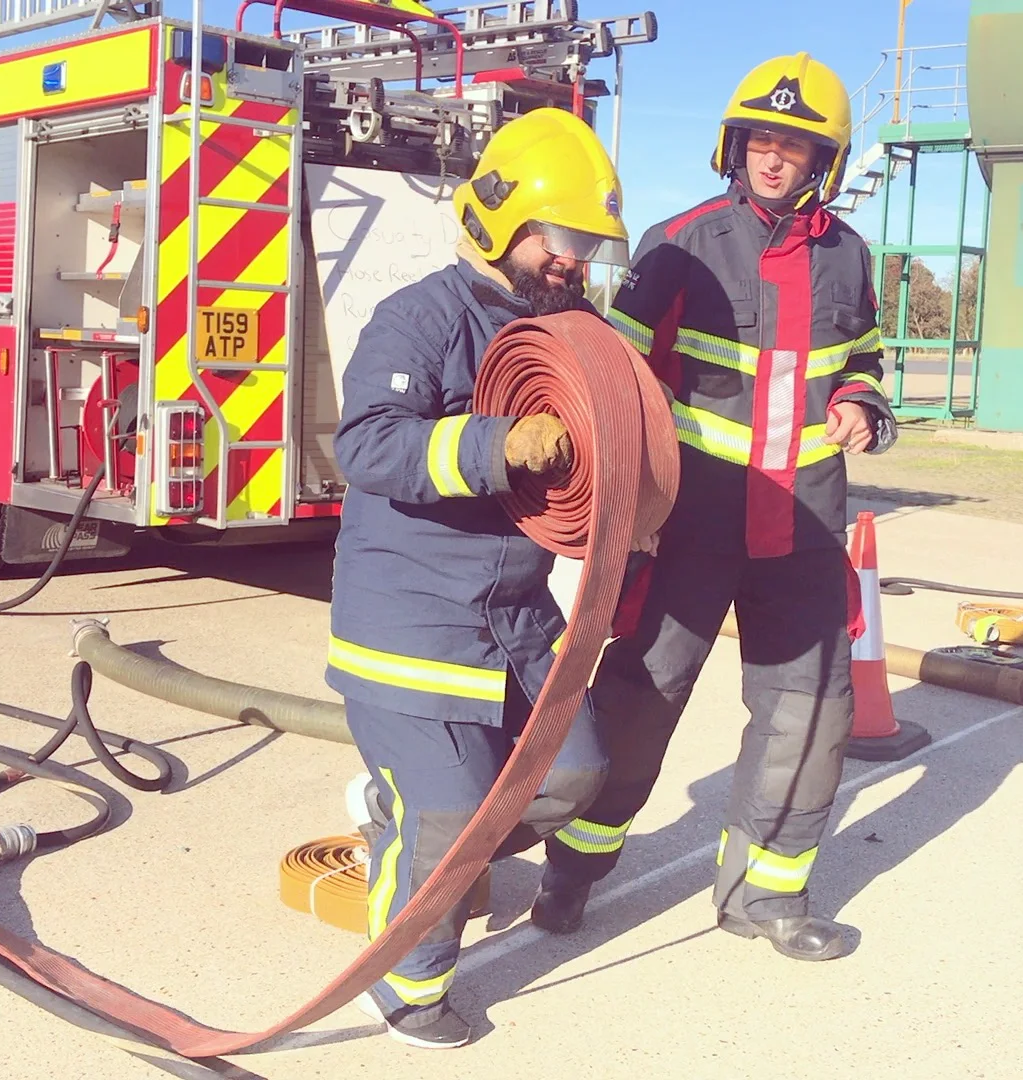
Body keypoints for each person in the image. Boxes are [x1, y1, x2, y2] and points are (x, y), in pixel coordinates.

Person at [529, 53, 898, 962]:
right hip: (688, 526)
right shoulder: (677, 240)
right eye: (760, 143)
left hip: (805, 531)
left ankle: (768, 899)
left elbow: (868, 358)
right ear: (734, 146)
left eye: (794, 148)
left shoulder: (850, 256)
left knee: (809, 710)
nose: (773, 162)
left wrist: (863, 403)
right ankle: (572, 871)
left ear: (826, 161)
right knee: (639, 698)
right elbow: (610, 376)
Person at [325, 106, 632, 1049]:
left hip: (515, 617)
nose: (574, 260)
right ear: (502, 222)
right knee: (456, 809)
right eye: (562, 237)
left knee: (573, 774)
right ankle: (407, 983)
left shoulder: (573, 327)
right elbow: (367, 445)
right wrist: (501, 444)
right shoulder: (417, 318)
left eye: (587, 244)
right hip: (408, 617)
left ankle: (402, 812)